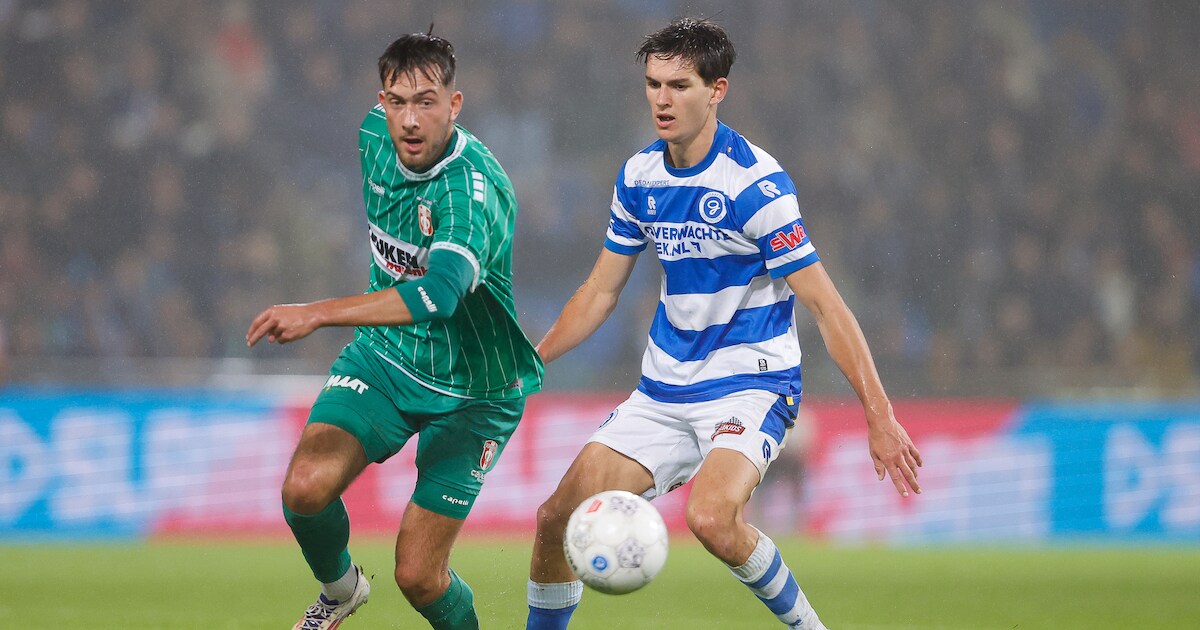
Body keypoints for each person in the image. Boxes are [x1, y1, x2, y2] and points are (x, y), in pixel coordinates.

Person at [524, 18, 922, 630]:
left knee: (709, 519)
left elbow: (826, 305)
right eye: (654, 84)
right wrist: (533, 360)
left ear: (717, 91)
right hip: (663, 389)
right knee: (556, 519)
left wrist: (879, 414)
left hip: (750, 381)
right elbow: (601, 291)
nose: (662, 98)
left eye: (679, 85)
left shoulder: (756, 185)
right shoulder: (639, 177)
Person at [247, 31, 543, 630]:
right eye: (396, 102)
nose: (409, 120)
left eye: (427, 102)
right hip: (387, 357)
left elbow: (437, 293)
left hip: (474, 390)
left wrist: (317, 312)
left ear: (454, 106)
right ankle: (341, 591)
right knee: (304, 489)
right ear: (381, 101)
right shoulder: (372, 137)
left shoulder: (473, 192)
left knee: (418, 575)